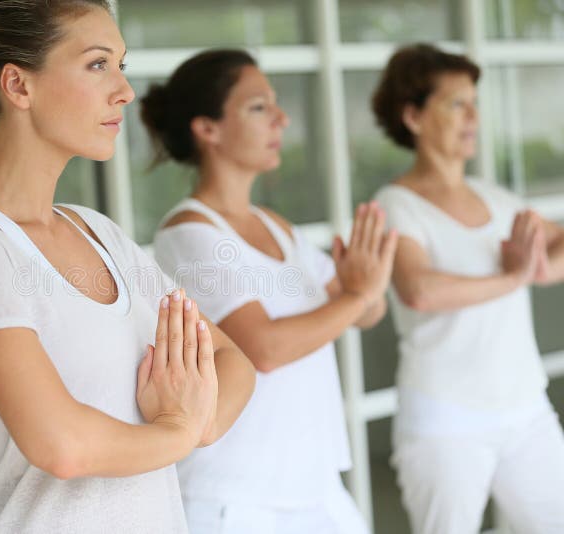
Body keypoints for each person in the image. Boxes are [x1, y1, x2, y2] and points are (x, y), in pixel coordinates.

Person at [0, 2, 256, 532]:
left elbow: (232, 360)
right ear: (18, 85)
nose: (125, 90)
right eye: (98, 64)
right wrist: (179, 428)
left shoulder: (97, 231)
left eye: (121, 64)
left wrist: (195, 422)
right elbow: (61, 445)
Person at [143, 49, 396, 534]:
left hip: (317, 488)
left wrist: (365, 288)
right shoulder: (188, 233)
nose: (281, 118)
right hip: (236, 501)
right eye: (259, 107)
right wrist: (357, 296)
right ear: (208, 129)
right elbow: (264, 347)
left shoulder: (276, 226)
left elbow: (367, 310)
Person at [371, 43, 564, 534]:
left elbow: (554, 247)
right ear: (413, 116)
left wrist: (541, 267)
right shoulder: (396, 204)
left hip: (526, 409)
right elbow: (419, 289)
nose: (474, 117)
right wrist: (513, 278)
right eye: (457, 104)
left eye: (475, 103)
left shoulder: (496, 197)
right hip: (445, 418)